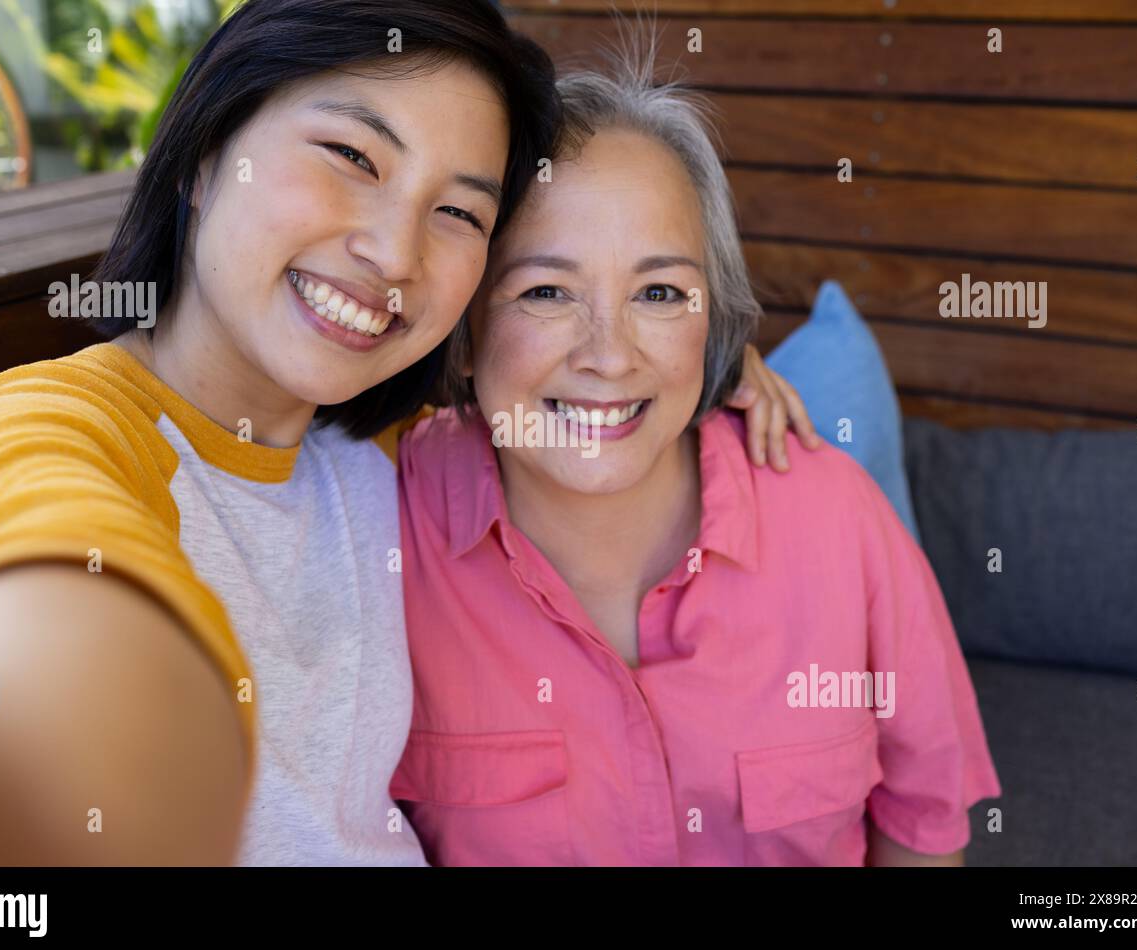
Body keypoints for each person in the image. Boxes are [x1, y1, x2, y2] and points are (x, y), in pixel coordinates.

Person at [0, 0, 808, 865]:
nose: (393, 251)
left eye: (457, 213)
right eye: (353, 155)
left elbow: (576, 383)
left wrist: (714, 363)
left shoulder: (390, 446)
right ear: (206, 155)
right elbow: (50, 608)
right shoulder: (41, 429)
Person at [391, 52, 1001, 866]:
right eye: (546, 291)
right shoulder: (381, 525)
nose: (609, 357)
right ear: (463, 328)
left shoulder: (838, 517)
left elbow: (922, 828)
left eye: (659, 293)